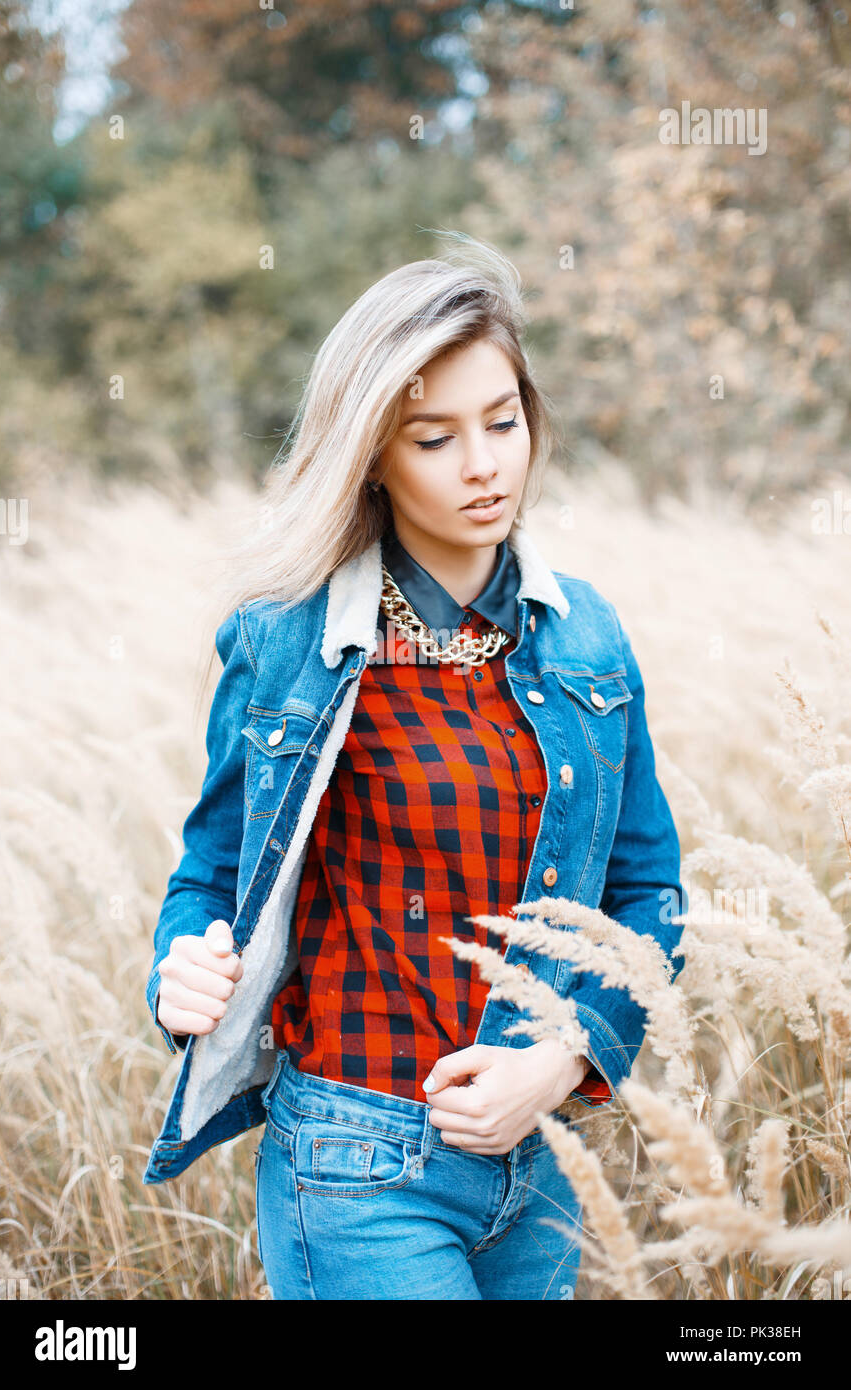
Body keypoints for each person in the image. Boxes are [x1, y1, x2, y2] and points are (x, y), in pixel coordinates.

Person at [143, 233, 687, 1301]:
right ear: (373, 456)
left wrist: (563, 1060)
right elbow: (210, 876)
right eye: (434, 438)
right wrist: (179, 966)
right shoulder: (288, 639)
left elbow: (647, 897)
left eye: (503, 420)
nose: (484, 464)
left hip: (533, 1168)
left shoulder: (586, 640)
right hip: (353, 1161)